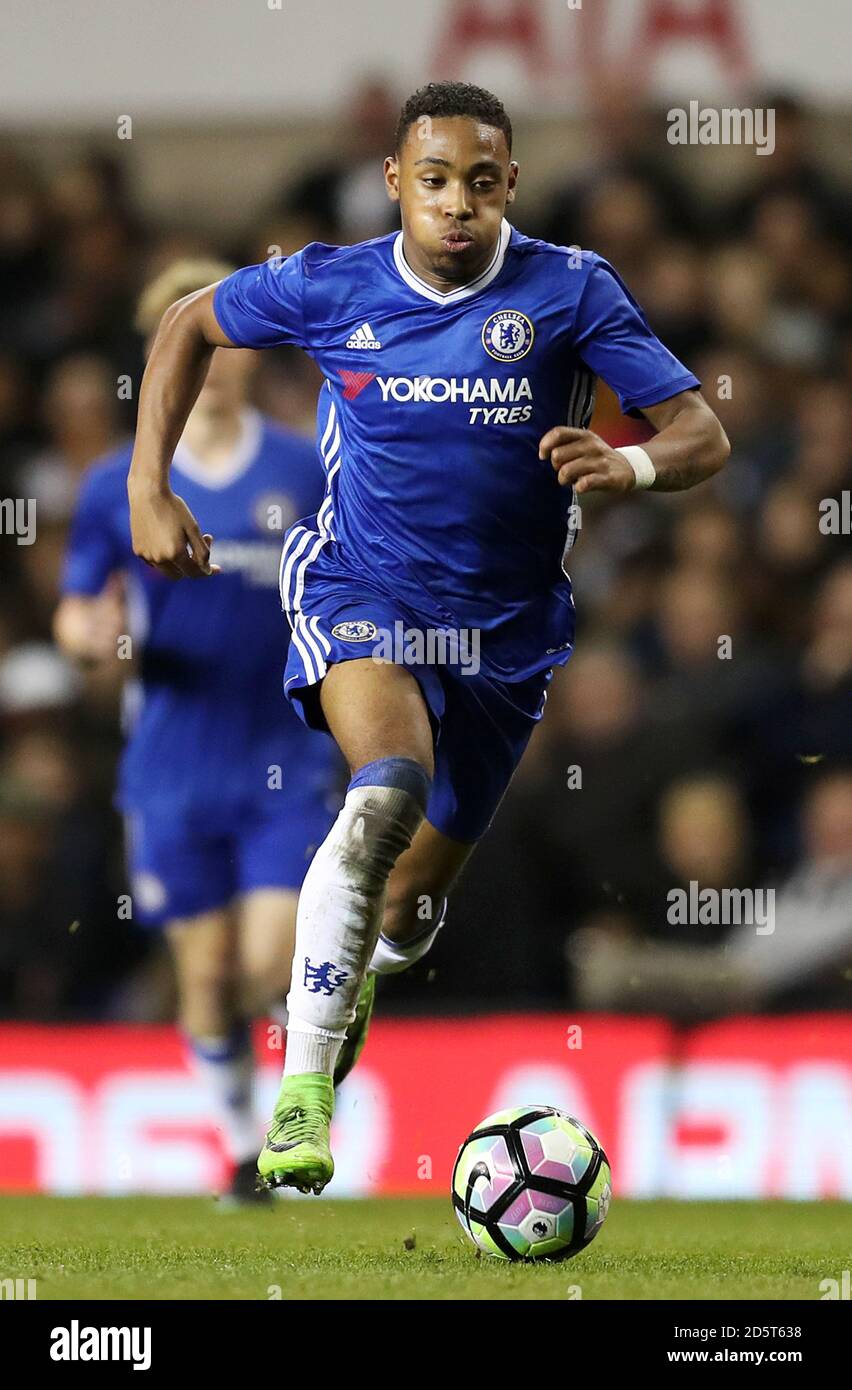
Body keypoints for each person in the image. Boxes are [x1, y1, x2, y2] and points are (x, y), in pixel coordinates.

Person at [126, 83, 730, 1196]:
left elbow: (703, 431)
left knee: (405, 909)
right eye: (437, 181)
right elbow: (188, 323)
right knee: (384, 787)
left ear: (510, 188)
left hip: (506, 633)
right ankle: (302, 1096)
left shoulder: (571, 289)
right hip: (363, 585)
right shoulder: (330, 281)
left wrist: (632, 463)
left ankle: (354, 970)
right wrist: (146, 488)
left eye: (483, 183)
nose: (459, 205)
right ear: (399, 183)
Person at [54, 259, 365, 1203]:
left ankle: (295, 1108)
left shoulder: (300, 463)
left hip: (286, 746)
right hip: (172, 761)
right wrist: (90, 641)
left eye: (225, 342)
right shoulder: (119, 484)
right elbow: (78, 608)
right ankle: (241, 1150)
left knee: (273, 956)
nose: (213, 361)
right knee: (207, 974)